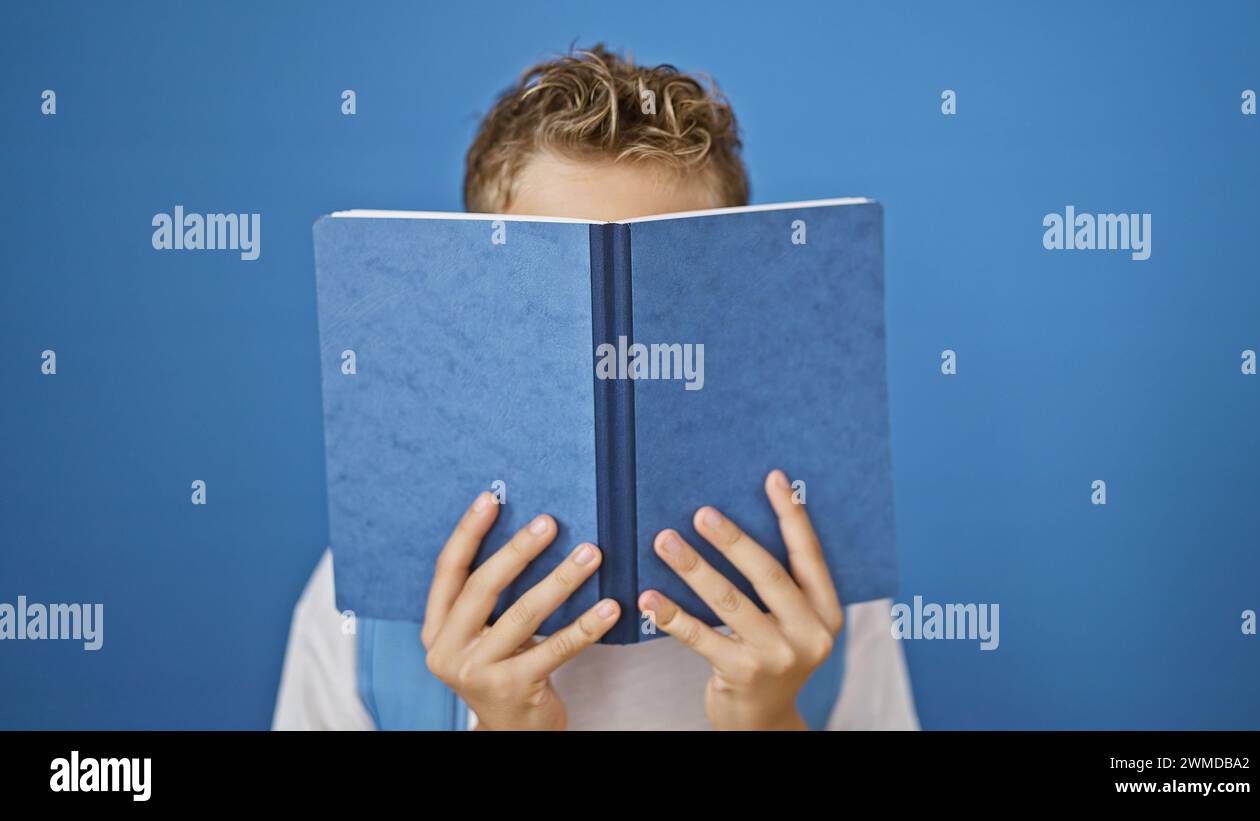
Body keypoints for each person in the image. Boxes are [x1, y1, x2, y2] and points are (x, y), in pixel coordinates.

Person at [274, 45, 918, 731]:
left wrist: (771, 721)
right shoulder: (366, 613)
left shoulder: (820, 594)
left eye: (667, 304)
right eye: (548, 309)